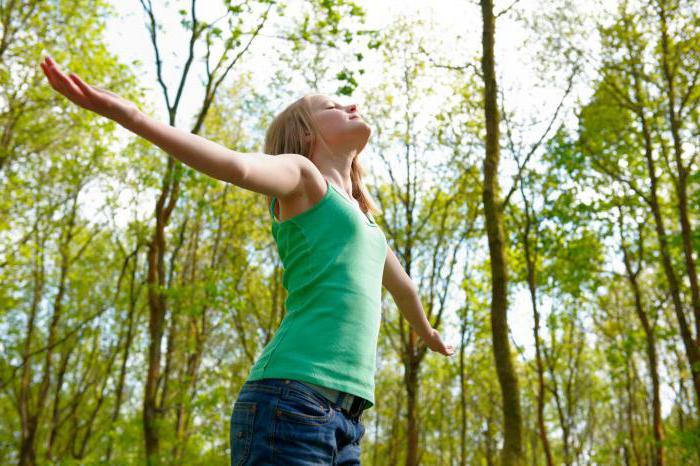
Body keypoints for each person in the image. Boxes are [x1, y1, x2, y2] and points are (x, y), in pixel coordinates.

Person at [39, 55, 455, 465]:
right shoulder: (304, 178)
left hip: (348, 422)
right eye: (331, 106)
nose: (351, 106)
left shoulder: (365, 222)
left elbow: (403, 287)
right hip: (291, 403)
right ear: (306, 134)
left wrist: (427, 331)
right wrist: (132, 117)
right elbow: (236, 166)